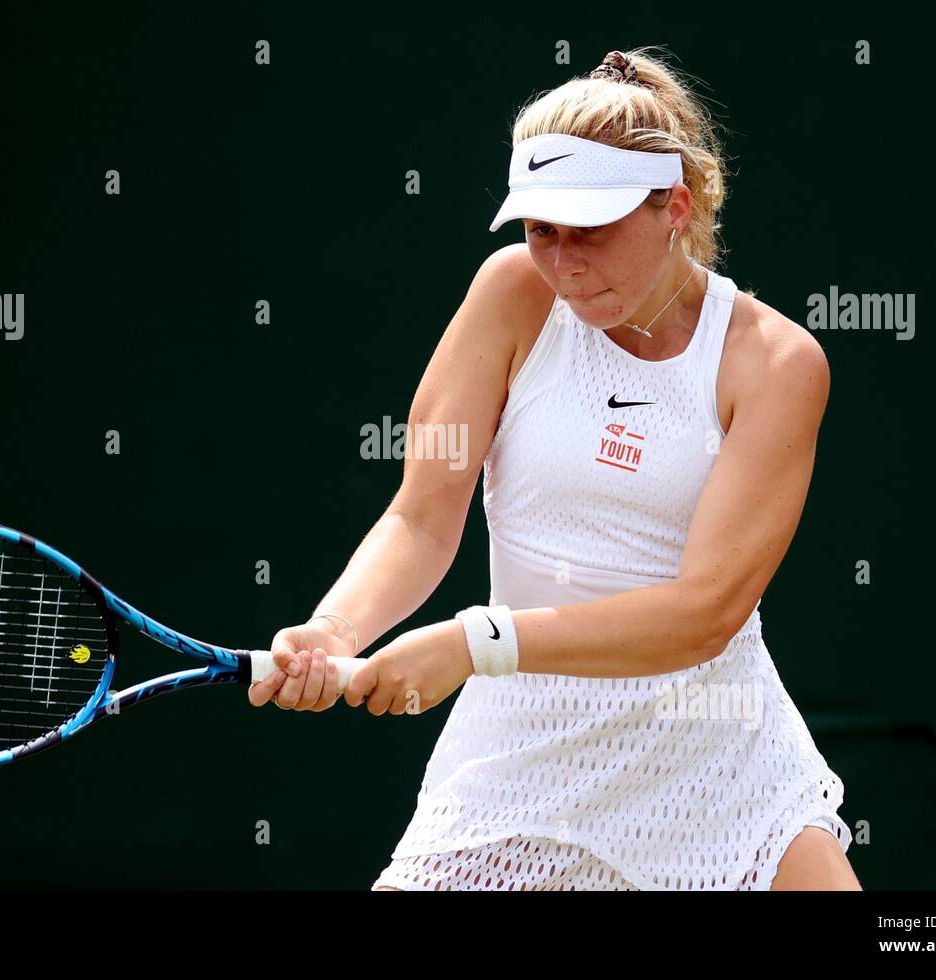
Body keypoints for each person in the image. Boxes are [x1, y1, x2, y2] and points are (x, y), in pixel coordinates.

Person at [248, 46, 860, 891]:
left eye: (593, 232)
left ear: (675, 208)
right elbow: (421, 517)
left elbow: (704, 615)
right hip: (518, 751)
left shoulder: (777, 364)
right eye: (542, 231)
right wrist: (336, 630)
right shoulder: (510, 295)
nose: (564, 264)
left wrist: (475, 641)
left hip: (717, 753)